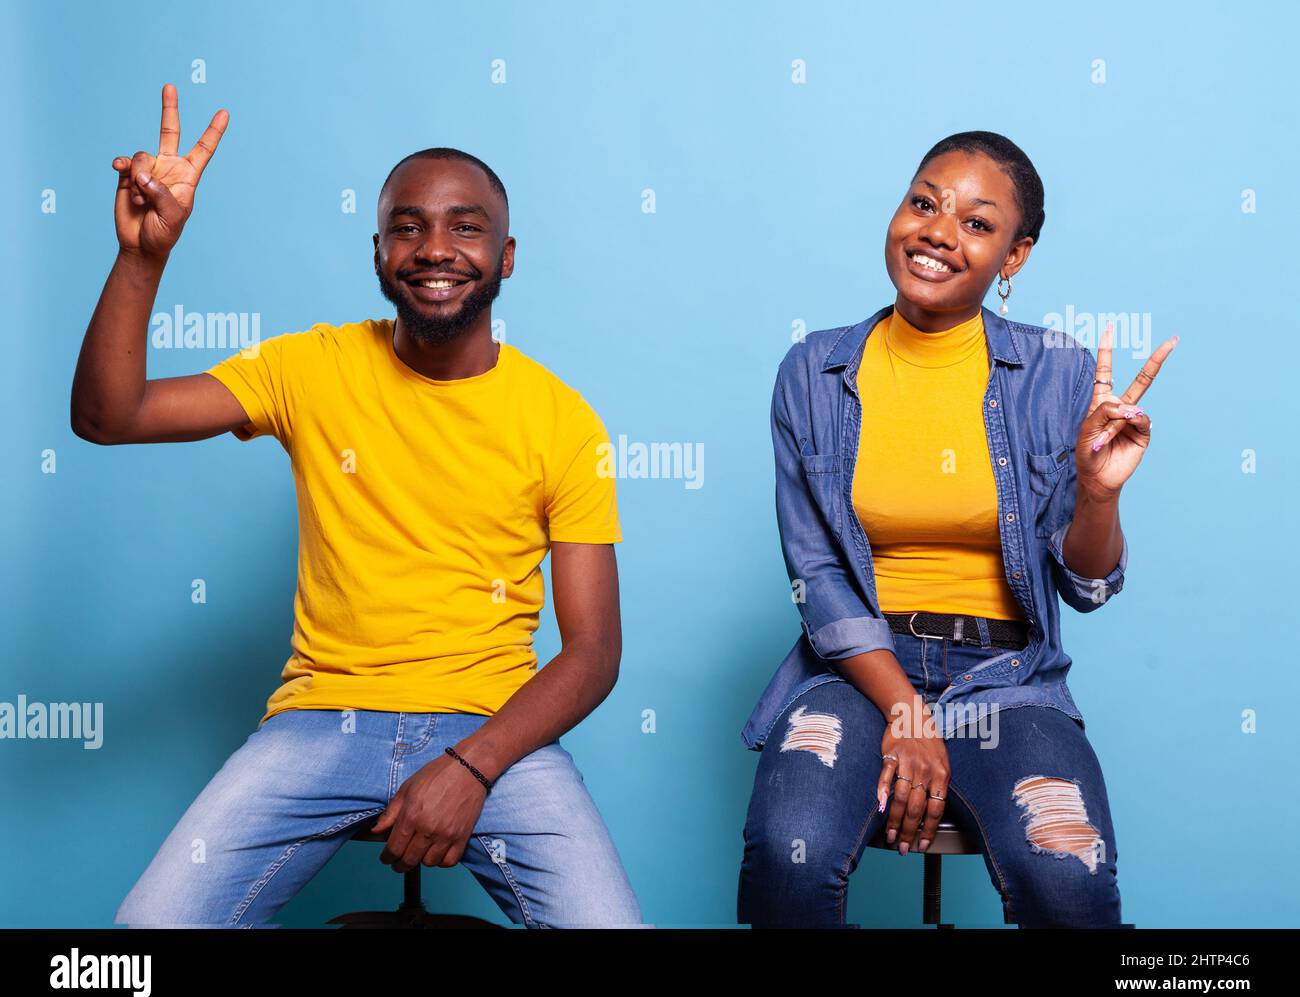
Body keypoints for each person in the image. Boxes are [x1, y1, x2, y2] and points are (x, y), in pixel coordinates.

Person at [74, 84, 643, 928]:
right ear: (378, 253)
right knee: (145, 934)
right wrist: (144, 257)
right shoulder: (313, 367)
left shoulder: (563, 419)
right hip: (319, 719)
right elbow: (107, 417)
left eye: (466, 226)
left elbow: (592, 653)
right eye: (407, 226)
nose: (435, 247)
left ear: (508, 255)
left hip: (492, 727)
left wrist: (474, 767)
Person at [737, 130, 1176, 928]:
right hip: (856, 671)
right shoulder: (814, 370)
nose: (938, 232)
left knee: (1067, 873)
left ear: (1015, 258)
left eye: (978, 223)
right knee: (786, 853)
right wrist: (905, 712)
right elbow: (816, 575)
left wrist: (1097, 494)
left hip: (1008, 678)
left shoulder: (1059, 371)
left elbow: (1087, 586)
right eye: (925, 203)